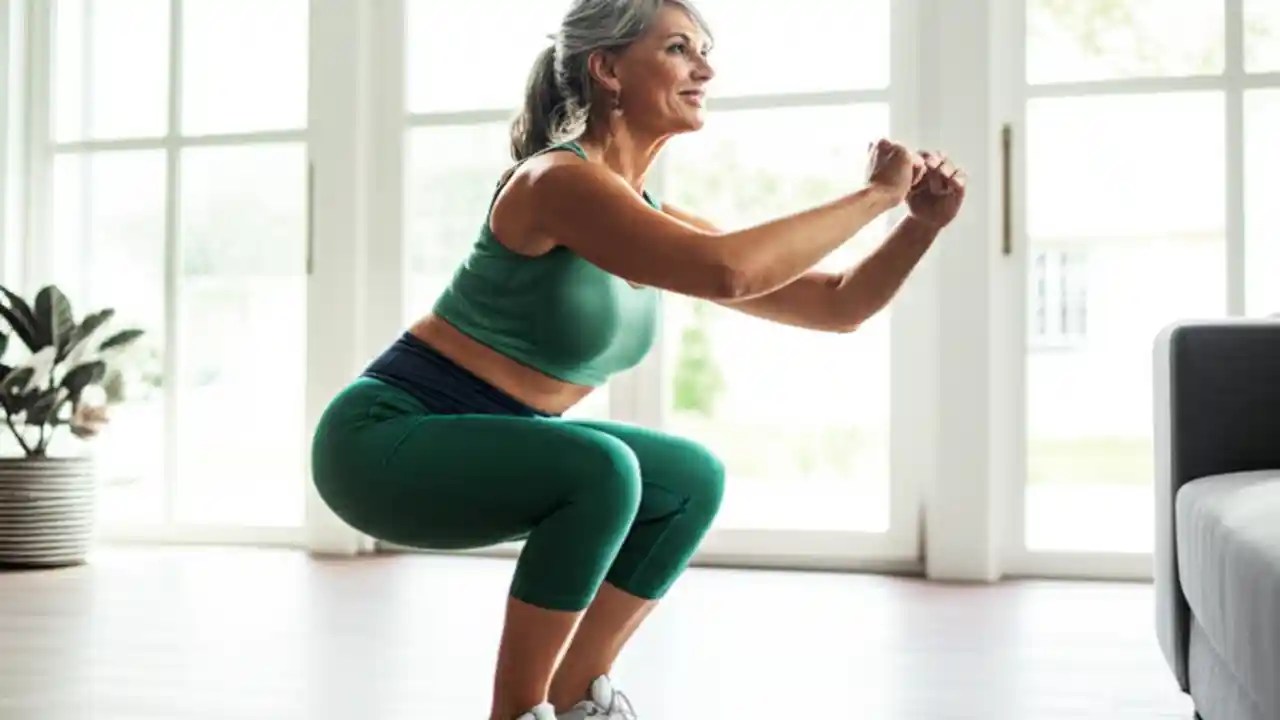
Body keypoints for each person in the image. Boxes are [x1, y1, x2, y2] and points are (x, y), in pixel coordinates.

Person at [310, 0, 966, 718]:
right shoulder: (555, 182)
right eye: (681, 49)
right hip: (383, 442)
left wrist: (916, 226)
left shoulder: (647, 213)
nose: (706, 68)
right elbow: (730, 272)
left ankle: (578, 698)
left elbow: (836, 305)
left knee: (688, 478)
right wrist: (876, 193)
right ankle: (516, 712)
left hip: (503, 440)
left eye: (705, 51)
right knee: (603, 469)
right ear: (608, 68)